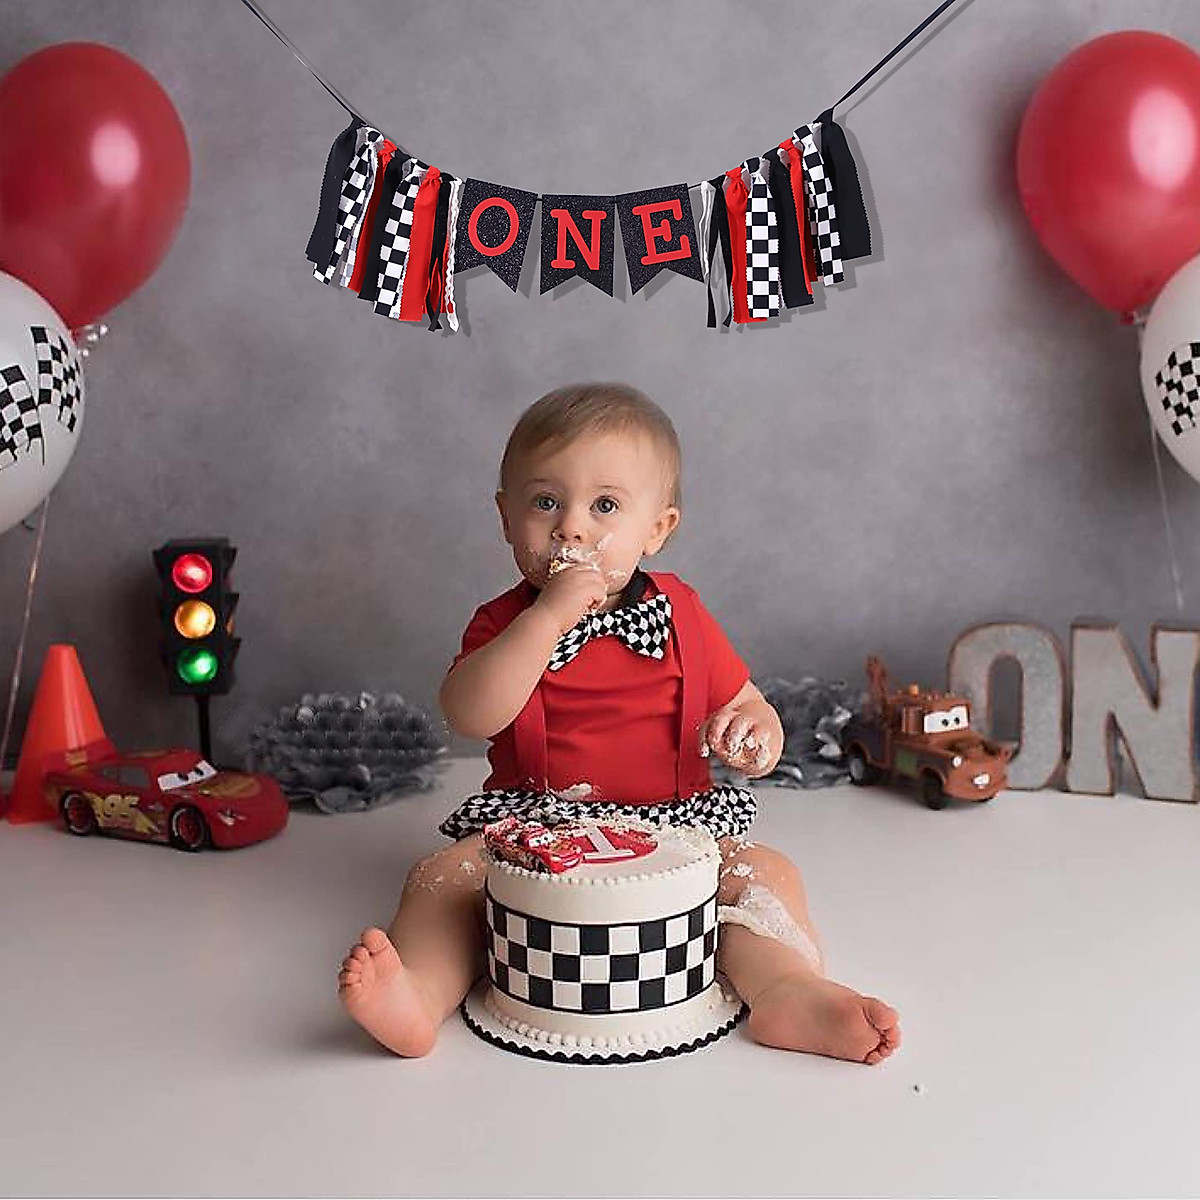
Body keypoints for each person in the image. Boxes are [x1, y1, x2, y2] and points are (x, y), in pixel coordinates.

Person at [338, 383, 901, 1065]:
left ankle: (787, 989)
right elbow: (469, 712)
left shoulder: (683, 613)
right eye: (546, 502)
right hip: (535, 821)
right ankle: (421, 995)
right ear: (505, 516)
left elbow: (747, 699)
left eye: (604, 505)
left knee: (767, 875)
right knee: (442, 881)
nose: (571, 526)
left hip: (676, 822)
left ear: (657, 529)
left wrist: (755, 732)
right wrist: (545, 620)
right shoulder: (503, 624)